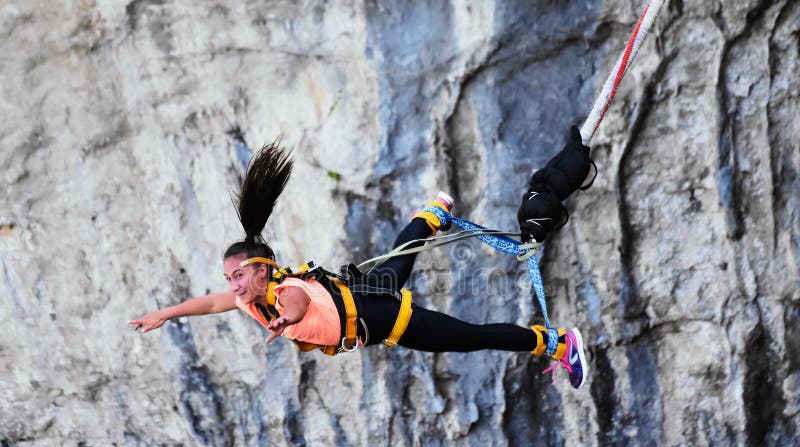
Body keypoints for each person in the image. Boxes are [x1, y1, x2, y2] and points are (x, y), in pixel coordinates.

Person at [130, 140, 589, 389]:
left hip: (384, 317)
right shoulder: (251, 298)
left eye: (237, 276)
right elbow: (212, 304)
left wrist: (286, 319)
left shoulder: (282, 293)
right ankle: (432, 214)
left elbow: (296, 303)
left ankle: (558, 344)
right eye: (229, 278)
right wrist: (166, 314)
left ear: (262, 271)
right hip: (365, 294)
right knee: (397, 261)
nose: (232, 285)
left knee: (473, 337)